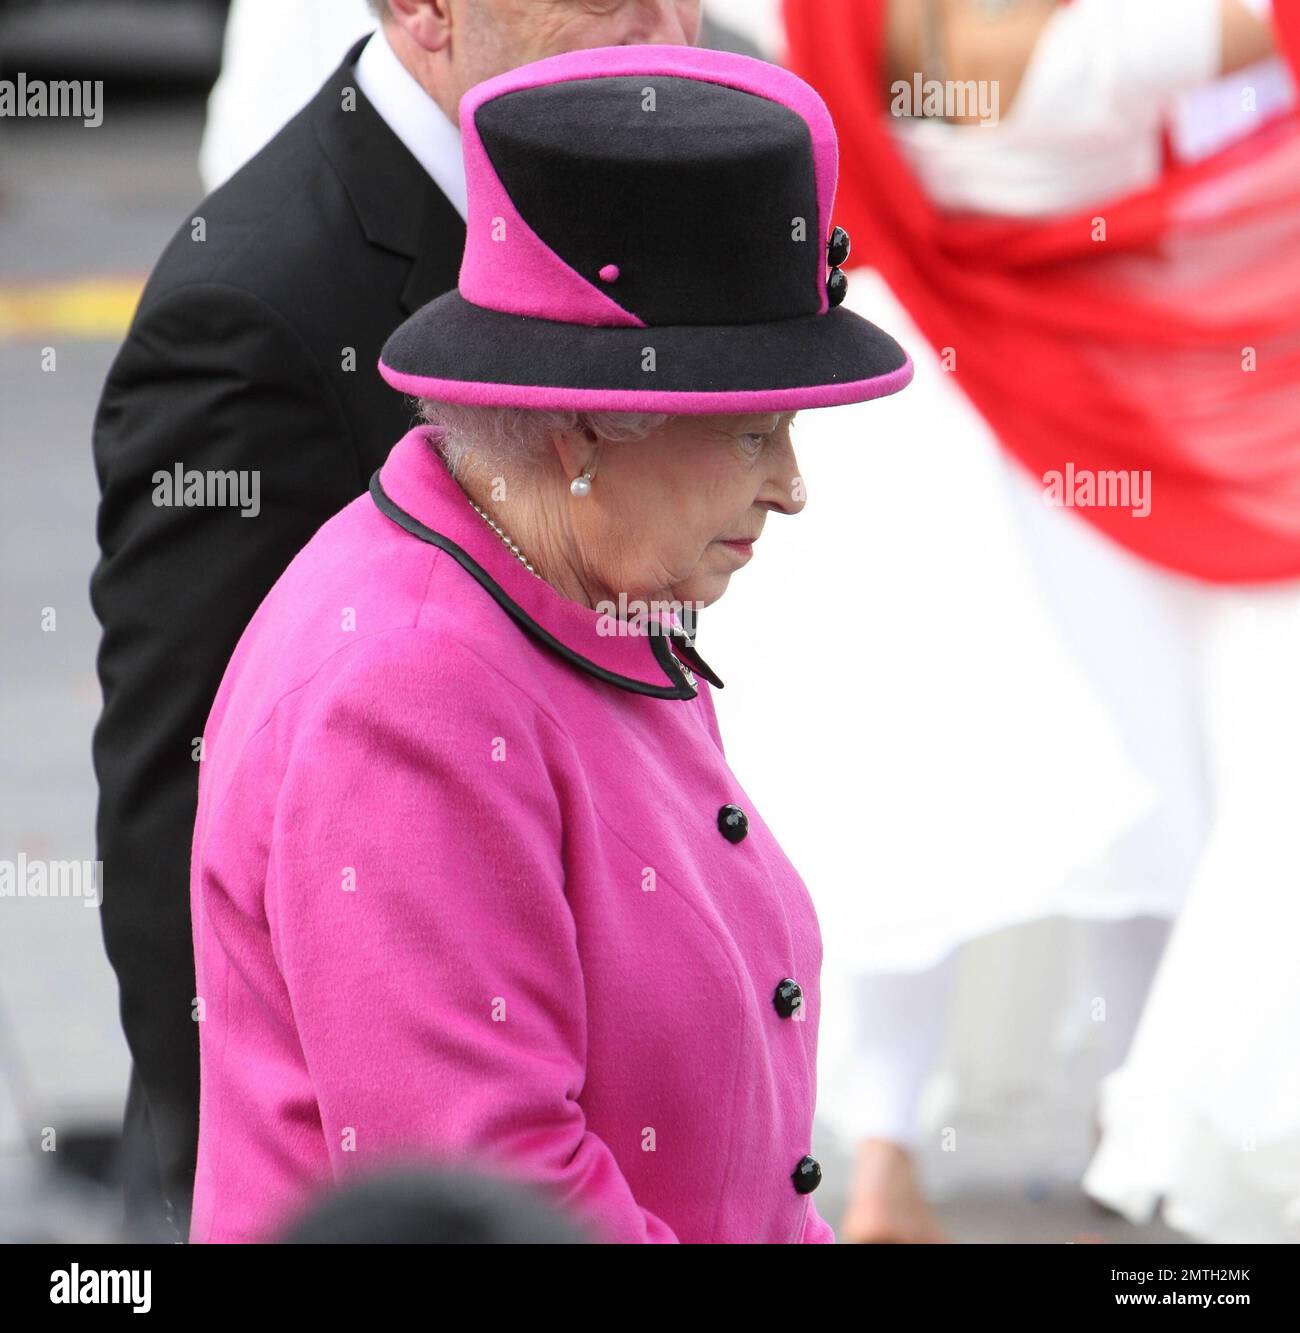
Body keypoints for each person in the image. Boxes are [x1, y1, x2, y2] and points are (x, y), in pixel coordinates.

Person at [187, 44, 913, 1243]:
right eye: (749, 436)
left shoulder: (584, 578)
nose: (790, 488)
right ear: (583, 433)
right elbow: (503, 1202)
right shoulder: (405, 691)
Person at [91, 0, 704, 1242]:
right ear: (422, 9)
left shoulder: (624, 155)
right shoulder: (256, 309)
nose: (668, 30)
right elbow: (181, 820)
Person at [700, 0, 1300, 1241]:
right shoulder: (1091, 39)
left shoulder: (862, 20)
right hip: (1080, 428)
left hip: (896, 406)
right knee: (1148, 788)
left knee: (897, 810)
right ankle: (1131, 1120)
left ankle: (883, 1154)